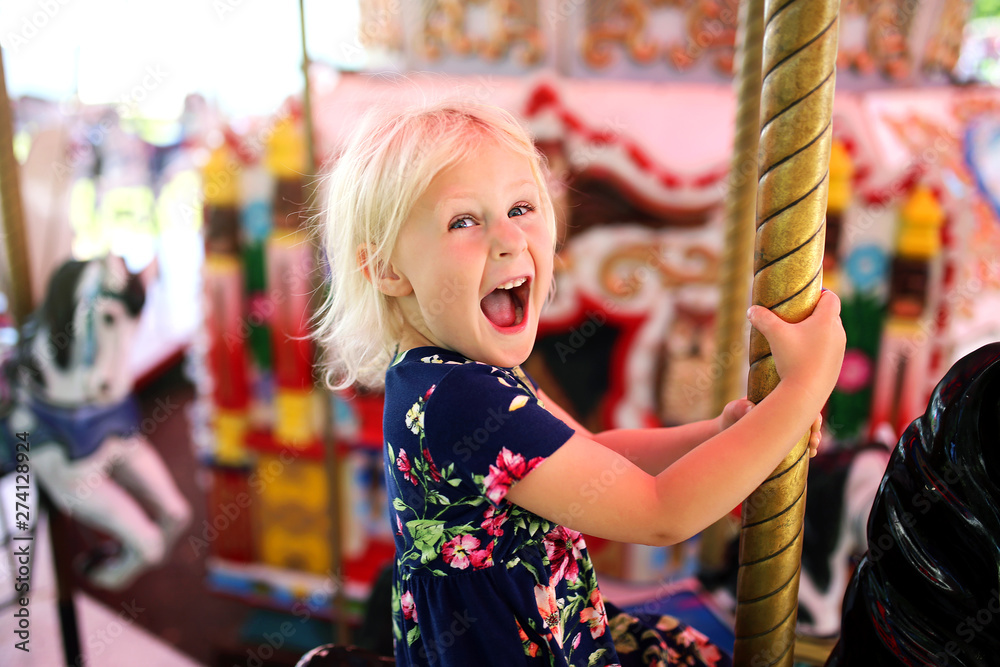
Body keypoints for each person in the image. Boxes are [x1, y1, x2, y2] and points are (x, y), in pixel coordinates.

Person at [315, 100, 846, 667]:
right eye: (463, 221)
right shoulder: (462, 401)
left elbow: (589, 456)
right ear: (388, 270)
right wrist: (806, 385)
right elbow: (661, 513)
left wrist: (712, 434)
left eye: (521, 207)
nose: (510, 240)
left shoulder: (446, 374)